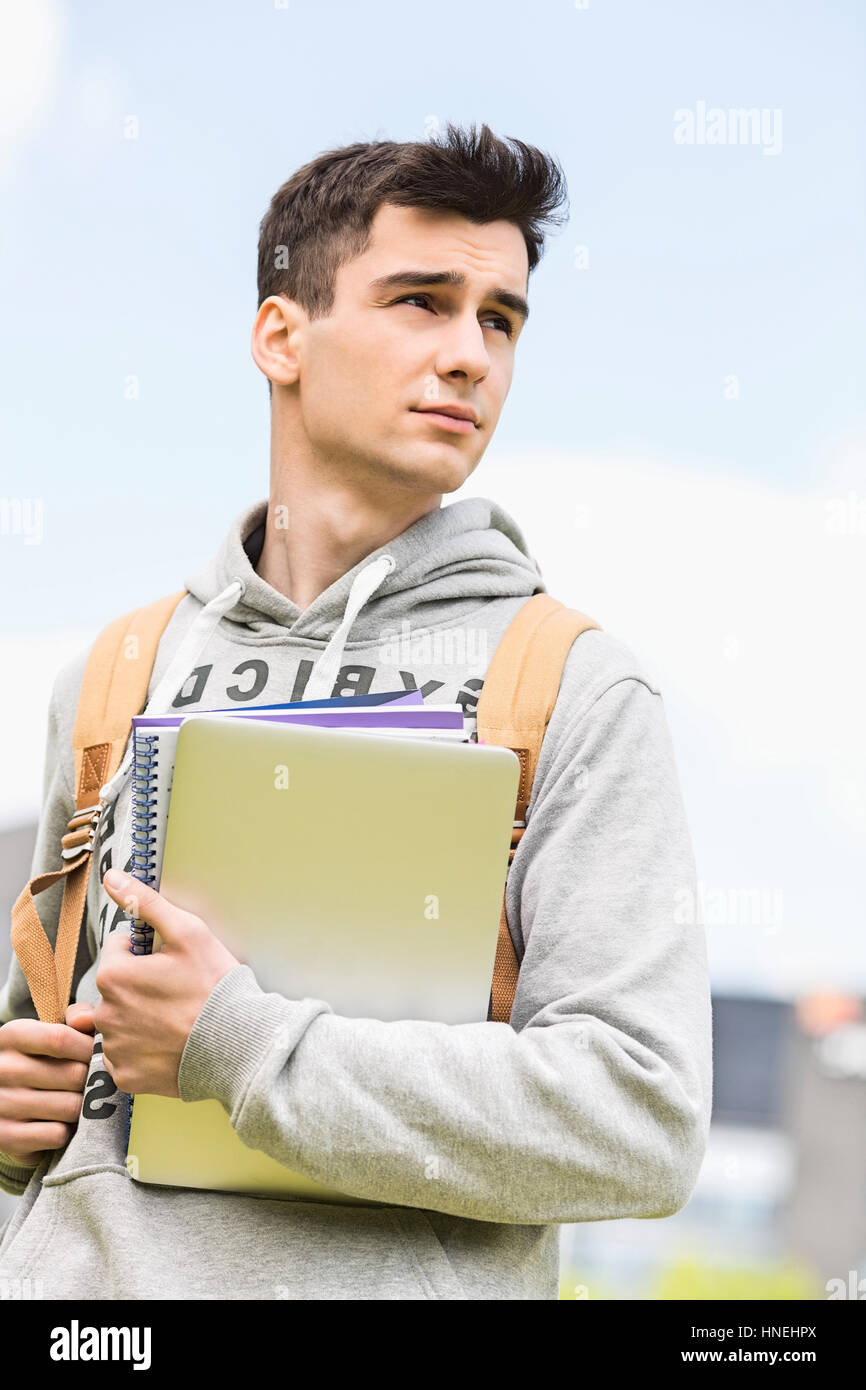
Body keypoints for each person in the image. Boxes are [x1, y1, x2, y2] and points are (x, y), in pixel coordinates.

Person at [0, 122, 712, 1301]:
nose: (471, 354)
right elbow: (52, 1068)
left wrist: (240, 1047)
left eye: (499, 317)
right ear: (280, 334)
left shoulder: (575, 685)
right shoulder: (115, 669)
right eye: (419, 301)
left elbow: (639, 1120)